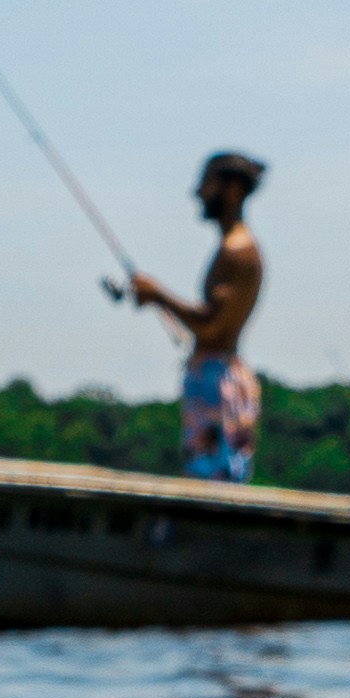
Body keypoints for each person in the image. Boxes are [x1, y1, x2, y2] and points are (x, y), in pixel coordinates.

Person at [122, 151, 267, 481]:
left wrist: (157, 294)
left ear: (231, 189)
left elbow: (213, 325)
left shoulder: (237, 250)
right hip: (214, 375)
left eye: (207, 183)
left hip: (220, 382)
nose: (198, 193)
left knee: (213, 490)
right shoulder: (233, 247)